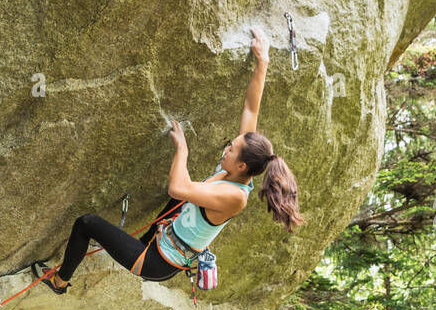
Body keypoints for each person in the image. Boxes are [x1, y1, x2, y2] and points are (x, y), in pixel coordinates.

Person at [34, 27, 303, 293]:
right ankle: (139, 241)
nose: (226, 150)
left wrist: (182, 150)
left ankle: (60, 281)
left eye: (230, 150)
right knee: (184, 196)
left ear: (242, 165)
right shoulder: (241, 168)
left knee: (86, 223)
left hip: (154, 261)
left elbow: (177, 188)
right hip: (165, 234)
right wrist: (262, 60)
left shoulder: (236, 197)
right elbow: (250, 108)